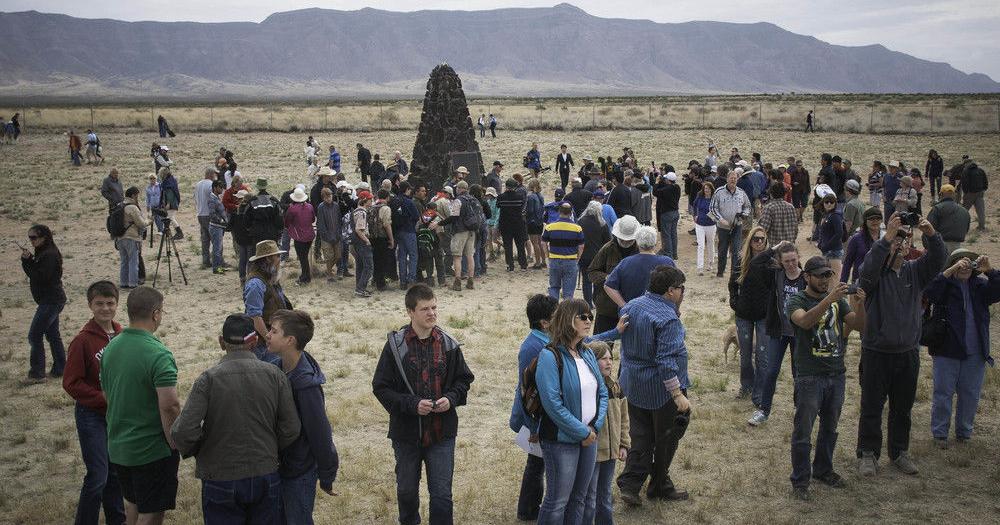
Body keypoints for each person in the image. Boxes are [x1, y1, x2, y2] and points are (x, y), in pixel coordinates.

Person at [170, 314, 301, 524]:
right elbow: (291, 428)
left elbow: (182, 430)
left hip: (220, 476)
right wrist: (269, 448)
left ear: (221, 342)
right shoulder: (275, 375)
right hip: (265, 471)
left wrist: (201, 450)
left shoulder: (208, 379)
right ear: (254, 341)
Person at [372, 284, 475, 525]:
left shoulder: (448, 344)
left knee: (441, 496)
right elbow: (381, 387)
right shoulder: (396, 347)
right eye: (424, 309)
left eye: (434, 307)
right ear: (410, 312)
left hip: (441, 433)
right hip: (406, 434)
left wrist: (450, 399)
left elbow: (464, 380)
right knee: (406, 492)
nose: (432, 313)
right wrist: (411, 404)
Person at [855, 214, 946, 477]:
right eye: (897, 242)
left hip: (907, 353)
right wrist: (886, 239)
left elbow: (938, 259)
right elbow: (868, 267)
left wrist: (931, 233)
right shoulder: (873, 275)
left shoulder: (915, 271)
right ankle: (868, 454)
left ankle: (899, 452)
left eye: (904, 242)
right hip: (876, 352)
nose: (901, 246)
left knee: (902, 408)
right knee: (872, 406)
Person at [786, 256, 866, 500]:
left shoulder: (838, 302)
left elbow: (859, 325)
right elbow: (804, 321)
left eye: (827, 275)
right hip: (810, 375)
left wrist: (859, 304)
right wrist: (828, 299)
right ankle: (800, 481)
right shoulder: (797, 299)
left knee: (830, 428)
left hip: (836, 373)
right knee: (803, 431)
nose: (824, 280)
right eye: (819, 275)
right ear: (806, 277)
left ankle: (823, 469)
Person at [100, 286, 180, 525]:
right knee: (152, 511)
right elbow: (170, 406)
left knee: (132, 503)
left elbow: (106, 393)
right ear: (156, 314)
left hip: (119, 445)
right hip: (151, 449)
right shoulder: (158, 354)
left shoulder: (110, 347)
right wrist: (174, 441)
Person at [616, 265, 690, 506]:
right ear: (670, 291)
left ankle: (632, 484)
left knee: (640, 434)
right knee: (667, 437)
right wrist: (677, 394)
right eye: (681, 288)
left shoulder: (631, 305)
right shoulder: (668, 319)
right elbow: (665, 361)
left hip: (633, 383)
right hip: (661, 391)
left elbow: (622, 340)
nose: (682, 293)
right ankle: (657, 484)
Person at [261, 309, 340, 524]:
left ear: (290, 340)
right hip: (278, 466)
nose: (267, 334)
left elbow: (320, 433)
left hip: (298, 471)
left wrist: (327, 474)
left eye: (274, 331)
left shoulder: (305, 386)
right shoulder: (275, 367)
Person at [534, 298, 608, 523]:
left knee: (579, 498)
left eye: (590, 317)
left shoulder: (586, 353)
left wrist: (593, 427)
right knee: (557, 502)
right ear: (568, 320)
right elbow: (553, 404)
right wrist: (582, 432)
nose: (589, 321)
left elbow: (602, 393)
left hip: (590, 437)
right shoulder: (549, 355)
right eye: (583, 317)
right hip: (561, 441)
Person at [63, 281, 126, 525]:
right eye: (99, 304)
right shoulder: (82, 341)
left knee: (115, 473)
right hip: (92, 416)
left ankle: (117, 520)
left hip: (116, 416)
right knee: (98, 475)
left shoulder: (121, 335)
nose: (105, 309)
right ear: (90, 305)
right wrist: (101, 397)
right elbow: (71, 382)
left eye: (110, 303)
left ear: (117, 304)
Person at [924, 250, 998, 448]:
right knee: (943, 393)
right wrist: (949, 272)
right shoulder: (944, 287)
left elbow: (998, 290)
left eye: (969, 263)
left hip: (975, 351)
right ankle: (940, 434)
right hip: (946, 349)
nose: (965, 266)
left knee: (970, 394)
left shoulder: (980, 286)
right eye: (960, 262)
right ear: (952, 265)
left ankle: (964, 433)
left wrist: (990, 270)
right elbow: (929, 292)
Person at [747, 241, 806, 427]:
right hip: (778, 331)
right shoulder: (775, 275)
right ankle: (764, 410)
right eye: (786, 261)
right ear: (780, 262)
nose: (791, 264)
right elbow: (755, 264)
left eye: (793, 260)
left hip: (800, 333)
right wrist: (773, 249)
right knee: (771, 371)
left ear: (798, 258)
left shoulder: (807, 278)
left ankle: (800, 409)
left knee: (799, 373)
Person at [587, 341, 629, 525]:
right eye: (603, 358)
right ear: (591, 360)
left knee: (604, 493)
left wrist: (623, 444)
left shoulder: (616, 387)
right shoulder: (589, 389)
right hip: (594, 453)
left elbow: (624, 419)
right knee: (590, 495)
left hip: (612, 453)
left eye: (610, 358)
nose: (609, 362)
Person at [19, 224, 66, 382]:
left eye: (34, 238)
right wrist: (30, 259)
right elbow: (39, 273)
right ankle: (61, 368)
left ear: (44, 237)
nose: (31, 241)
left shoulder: (49, 255)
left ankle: (37, 373)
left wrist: (27, 262)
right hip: (51, 300)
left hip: (51, 301)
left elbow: (40, 277)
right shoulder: (44, 253)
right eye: (29, 238)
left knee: (34, 335)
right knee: (53, 335)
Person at [730, 226, 769, 401]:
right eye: (756, 239)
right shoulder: (741, 259)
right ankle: (746, 386)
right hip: (744, 313)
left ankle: (760, 392)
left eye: (762, 239)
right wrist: (734, 301)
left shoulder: (771, 261)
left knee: (762, 356)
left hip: (764, 314)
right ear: (750, 240)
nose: (759, 242)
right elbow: (732, 283)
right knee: (745, 354)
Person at [589, 216, 640, 334]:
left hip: (633, 307)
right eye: (623, 239)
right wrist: (607, 278)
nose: (626, 242)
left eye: (629, 240)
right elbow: (592, 272)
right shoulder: (607, 249)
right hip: (607, 308)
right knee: (601, 345)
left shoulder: (641, 250)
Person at [243, 240, 291, 365]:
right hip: (263, 346)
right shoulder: (256, 284)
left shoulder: (270, 279)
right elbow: (255, 317)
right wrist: (269, 340)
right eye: (277, 256)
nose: (279, 260)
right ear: (269, 259)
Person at [604, 225, 675, 308]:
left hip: (633, 314)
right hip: (661, 312)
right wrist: (675, 308)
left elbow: (608, 286)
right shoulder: (667, 262)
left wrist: (624, 306)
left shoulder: (625, 262)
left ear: (637, 243)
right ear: (655, 242)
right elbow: (679, 288)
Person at [710, 170, 752, 278]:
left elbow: (748, 206)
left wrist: (743, 214)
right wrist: (720, 219)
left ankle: (734, 273)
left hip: (737, 226)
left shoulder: (741, 192)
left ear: (737, 179)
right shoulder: (719, 192)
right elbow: (712, 208)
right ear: (727, 179)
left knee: (736, 250)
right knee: (722, 249)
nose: (733, 180)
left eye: (735, 178)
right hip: (723, 227)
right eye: (731, 178)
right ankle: (720, 271)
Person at [443, 181, 481, 291]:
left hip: (460, 231)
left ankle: (457, 282)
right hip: (472, 231)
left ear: (459, 188)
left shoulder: (458, 200)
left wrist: (440, 223)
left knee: (457, 256)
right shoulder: (474, 200)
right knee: (470, 256)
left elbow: (454, 217)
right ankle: (470, 281)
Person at [542, 203, 585, 299]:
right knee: (568, 292)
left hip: (554, 260)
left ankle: (553, 310)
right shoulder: (577, 228)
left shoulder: (550, 227)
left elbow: (543, 242)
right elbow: (581, 246)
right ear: (571, 213)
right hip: (571, 261)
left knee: (554, 287)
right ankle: (566, 313)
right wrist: (577, 258)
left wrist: (547, 255)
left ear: (559, 212)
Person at [579, 201, 610, 309]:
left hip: (584, 255)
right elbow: (608, 241)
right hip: (598, 256)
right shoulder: (602, 223)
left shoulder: (581, 221)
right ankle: (595, 300)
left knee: (586, 280)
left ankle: (588, 303)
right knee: (597, 280)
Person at [116, 187, 148, 289]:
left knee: (124, 261)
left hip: (120, 237)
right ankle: (133, 284)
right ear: (134, 195)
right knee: (133, 262)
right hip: (132, 237)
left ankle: (123, 283)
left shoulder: (119, 205)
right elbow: (141, 223)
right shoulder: (132, 208)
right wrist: (149, 221)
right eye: (137, 195)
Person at [841, 207, 883, 283]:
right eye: (871, 219)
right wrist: (843, 283)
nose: (875, 221)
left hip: (881, 281)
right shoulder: (856, 239)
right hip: (859, 281)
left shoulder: (885, 238)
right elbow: (848, 262)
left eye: (878, 218)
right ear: (865, 221)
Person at [285, 186, 316, 285]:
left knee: (302, 258)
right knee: (304, 257)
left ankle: (305, 277)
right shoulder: (310, 206)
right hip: (310, 235)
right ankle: (306, 276)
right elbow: (312, 219)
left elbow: (287, 222)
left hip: (299, 236)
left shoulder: (292, 209)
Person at [927, 184, 971, 254]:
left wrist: (927, 246)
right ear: (954, 195)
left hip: (939, 245)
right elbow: (966, 229)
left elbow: (928, 228)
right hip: (958, 247)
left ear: (941, 195)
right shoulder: (964, 210)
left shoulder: (937, 208)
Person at [758, 181, 798, 247]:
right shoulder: (791, 207)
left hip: (775, 247)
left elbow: (763, 229)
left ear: (771, 194)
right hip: (790, 247)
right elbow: (795, 228)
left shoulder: (769, 208)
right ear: (784, 194)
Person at [194, 167, 219, 269]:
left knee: (205, 239)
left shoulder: (198, 184)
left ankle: (206, 261)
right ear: (211, 174)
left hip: (200, 214)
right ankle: (218, 261)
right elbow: (213, 199)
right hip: (209, 214)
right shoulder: (210, 185)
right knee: (216, 239)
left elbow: (195, 198)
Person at [654, 171, 681, 259]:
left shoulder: (666, 189)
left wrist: (657, 182)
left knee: (666, 235)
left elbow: (655, 192)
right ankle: (675, 253)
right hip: (675, 212)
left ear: (668, 180)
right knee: (673, 233)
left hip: (667, 213)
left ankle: (668, 254)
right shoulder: (677, 187)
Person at [816, 194, 844, 277]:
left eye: (832, 202)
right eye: (827, 202)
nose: (829, 204)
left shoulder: (835, 216)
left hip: (834, 251)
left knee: (834, 277)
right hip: (828, 250)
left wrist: (826, 246)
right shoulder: (827, 214)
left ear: (835, 203)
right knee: (828, 277)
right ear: (823, 203)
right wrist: (821, 245)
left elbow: (839, 233)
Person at [693, 182, 716, 275]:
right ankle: (700, 267)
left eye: (708, 189)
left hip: (711, 224)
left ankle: (711, 263)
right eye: (705, 188)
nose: (706, 190)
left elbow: (718, 209)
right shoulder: (700, 197)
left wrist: (715, 218)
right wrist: (695, 215)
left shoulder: (714, 199)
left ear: (711, 190)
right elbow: (694, 205)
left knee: (710, 244)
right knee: (701, 245)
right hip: (700, 224)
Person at [959, 161, 988, 230]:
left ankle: (961, 226)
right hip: (980, 192)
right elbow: (985, 180)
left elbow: (964, 182)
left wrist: (966, 192)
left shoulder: (966, 171)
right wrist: (984, 188)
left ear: (966, 164)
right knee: (980, 210)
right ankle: (982, 226)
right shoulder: (980, 170)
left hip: (970, 193)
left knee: (964, 210)